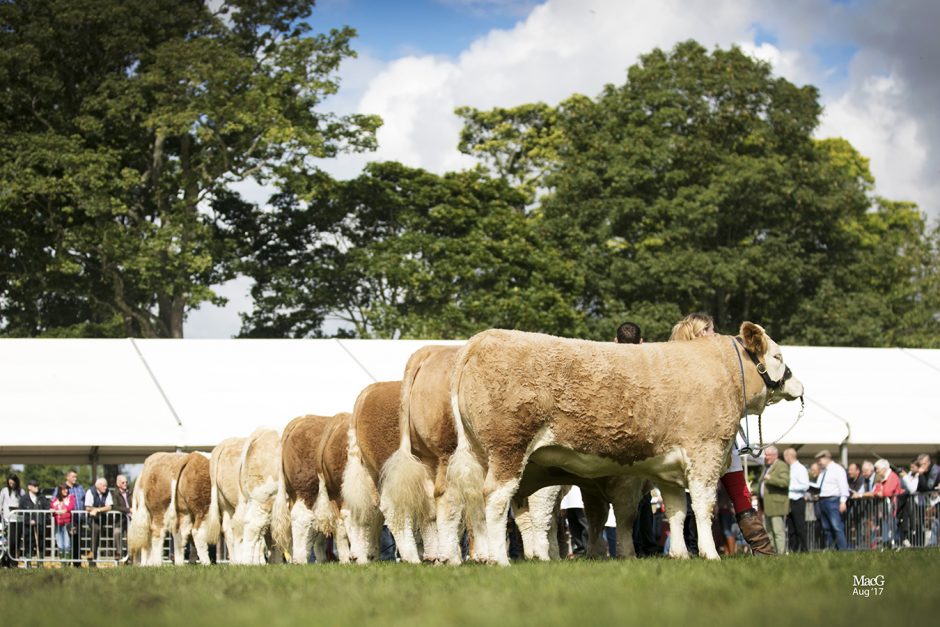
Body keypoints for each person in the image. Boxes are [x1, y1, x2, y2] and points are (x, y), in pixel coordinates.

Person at [669, 312, 775, 556]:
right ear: (699, 333)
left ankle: (762, 548)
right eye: (710, 330)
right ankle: (695, 548)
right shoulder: (683, 364)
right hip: (692, 442)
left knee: (738, 492)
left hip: (721, 439)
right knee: (691, 496)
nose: (715, 335)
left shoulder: (714, 363)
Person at [809, 450, 849, 550]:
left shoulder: (837, 469)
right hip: (823, 500)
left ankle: (843, 550)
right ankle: (831, 549)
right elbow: (819, 486)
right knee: (826, 528)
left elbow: (843, 486)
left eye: (820, 459)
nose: (819, 462)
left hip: (833, 500)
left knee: (836, 527)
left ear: (827, 458)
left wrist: (843, 501)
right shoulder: (823, 471)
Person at [759, 446, 790, 554]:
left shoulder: (781, 466)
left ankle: (780, 553)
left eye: (768, 455)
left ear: (775, 455)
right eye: (765, 455)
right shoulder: (767, 466)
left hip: (777, 505)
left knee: (778, 531)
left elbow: (785, 482)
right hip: (766, 505)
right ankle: (772, 553)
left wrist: (770, 479)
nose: (766, 457)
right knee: (769, 531)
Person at [18, 480, 50, 565]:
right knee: (29, 545)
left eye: (37, 485)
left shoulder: (42, 497)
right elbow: (21, 513)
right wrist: (28, 521)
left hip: (40, 526)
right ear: (29, 487)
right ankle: (28, 564)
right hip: (28, 528)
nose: (37, 487)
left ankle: (40, 563)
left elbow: (47, 509)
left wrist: (46, 521)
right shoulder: (24, 499)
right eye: (35, 485)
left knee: (41, 545)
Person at [784, 448, 809, 553]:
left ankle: (804, 549)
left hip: (797, 500)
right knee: (791, 528)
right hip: (790, 501)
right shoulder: (790, 468)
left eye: (785, 456)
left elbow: (805, 485)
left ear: (789, 456)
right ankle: (793, 549)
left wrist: (789, 487)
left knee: (799, 527)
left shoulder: (800, 468)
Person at [84, 477, 112, 565]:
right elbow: (88, 507)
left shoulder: (107, 492)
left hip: (102, 519)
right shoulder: (90, 492)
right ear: (98, 486)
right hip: (91, 519)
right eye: (104, 486)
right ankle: (91, 560)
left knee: (97, 538)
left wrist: (98, 510)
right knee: (93, 538)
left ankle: (94, 559)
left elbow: (110, 507)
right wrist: (100, 509)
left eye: (106, 486)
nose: (106, 488)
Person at [62, 469, 86, 562]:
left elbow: (84, 500)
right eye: (73, 476)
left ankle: (76, 562)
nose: (75, 478)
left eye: (76, 476)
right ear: (67, 477)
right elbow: (55, 500)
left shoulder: (80, 488)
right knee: (67, 541)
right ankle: (66, 562)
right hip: (67, 519)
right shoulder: (62, 488)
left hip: (79, 518)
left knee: (77, 541)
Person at [560, 486, 588, 558]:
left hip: (581, 498)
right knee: (574, 527)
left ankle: (589, 550)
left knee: (585, 525)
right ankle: (581, 551)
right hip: (568, 500)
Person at [50, 484, 76, 561]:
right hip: (58, 523)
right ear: (60, 490)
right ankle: (62, 562)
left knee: (67, 544)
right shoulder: (55, 499)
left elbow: (70, 507)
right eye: (64, 489)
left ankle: (67, 562)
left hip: (67, 523)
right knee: (60, 544)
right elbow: (52, 508)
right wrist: (58, 511)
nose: (66, 491)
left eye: (67, 489)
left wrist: (61, 510)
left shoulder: (70, 497)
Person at [111, 474, 132, 563]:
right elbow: (115, 506)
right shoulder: (114, 493)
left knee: (131, 537)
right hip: (120, 520)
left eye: (126, 482)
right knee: (117, 533)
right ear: (118, 483)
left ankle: (130, 557)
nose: (125, 484)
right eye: (123, 482)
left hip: (131, 520)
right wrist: (128, 510)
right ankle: (118, 555)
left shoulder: (131, 492)